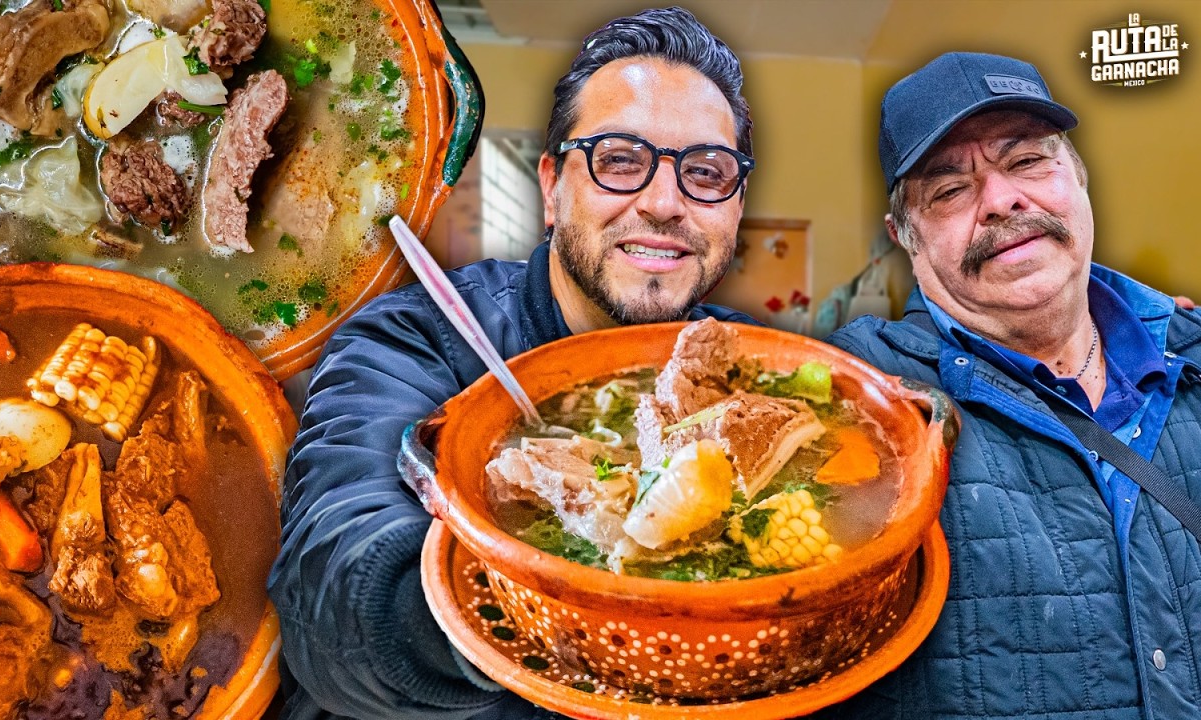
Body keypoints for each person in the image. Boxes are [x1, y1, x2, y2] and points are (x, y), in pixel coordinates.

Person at [267, 8, 757, 719]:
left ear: (735, 207)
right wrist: (548, 597)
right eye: (621, 160)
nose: (663, 203)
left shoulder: (751, 367)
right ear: (553, 187)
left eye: (706, 173)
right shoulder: (416, 336)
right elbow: (332, 595)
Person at [822, 52, 1201, 719]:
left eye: (1027, 161)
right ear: (905, 238)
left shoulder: (1190, 357)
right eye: (948, 190)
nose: (1002, 200)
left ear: (1078, 177)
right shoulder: (860, 395)